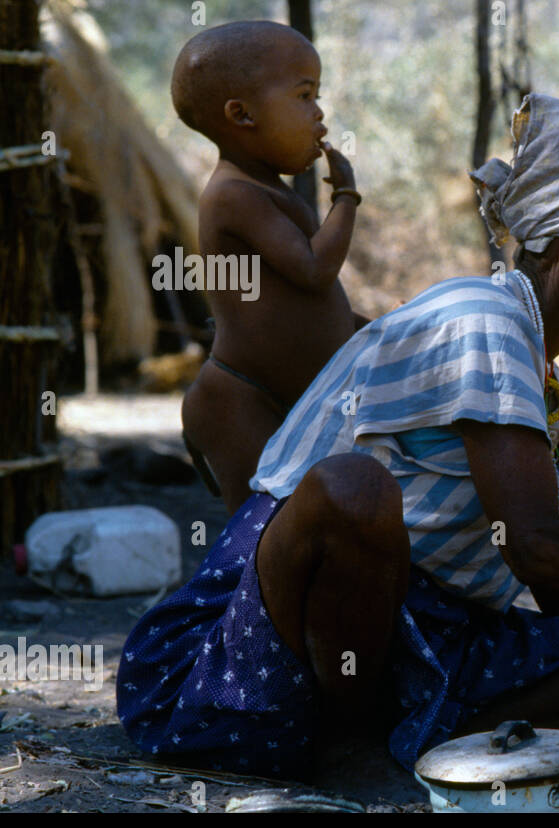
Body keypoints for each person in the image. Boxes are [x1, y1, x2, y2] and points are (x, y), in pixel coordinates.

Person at [116, 94, 559, 779]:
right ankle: (354, 752)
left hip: (426, 640)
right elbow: (537, 548)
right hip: (247, 656)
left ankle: (436, 748)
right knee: (351, 488)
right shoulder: (480, 319)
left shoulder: (548, 386)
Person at [171, 21, 369, 515]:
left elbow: (304, 303)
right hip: (243, 399)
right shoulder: (233, 195)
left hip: (292, 397)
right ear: (242, 114)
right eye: (304, 96)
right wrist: (346, 197)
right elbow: (314, 270)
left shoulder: (270, 191)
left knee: (310, 520)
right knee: (259, 528)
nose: (319, 113)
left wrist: (376, 330)